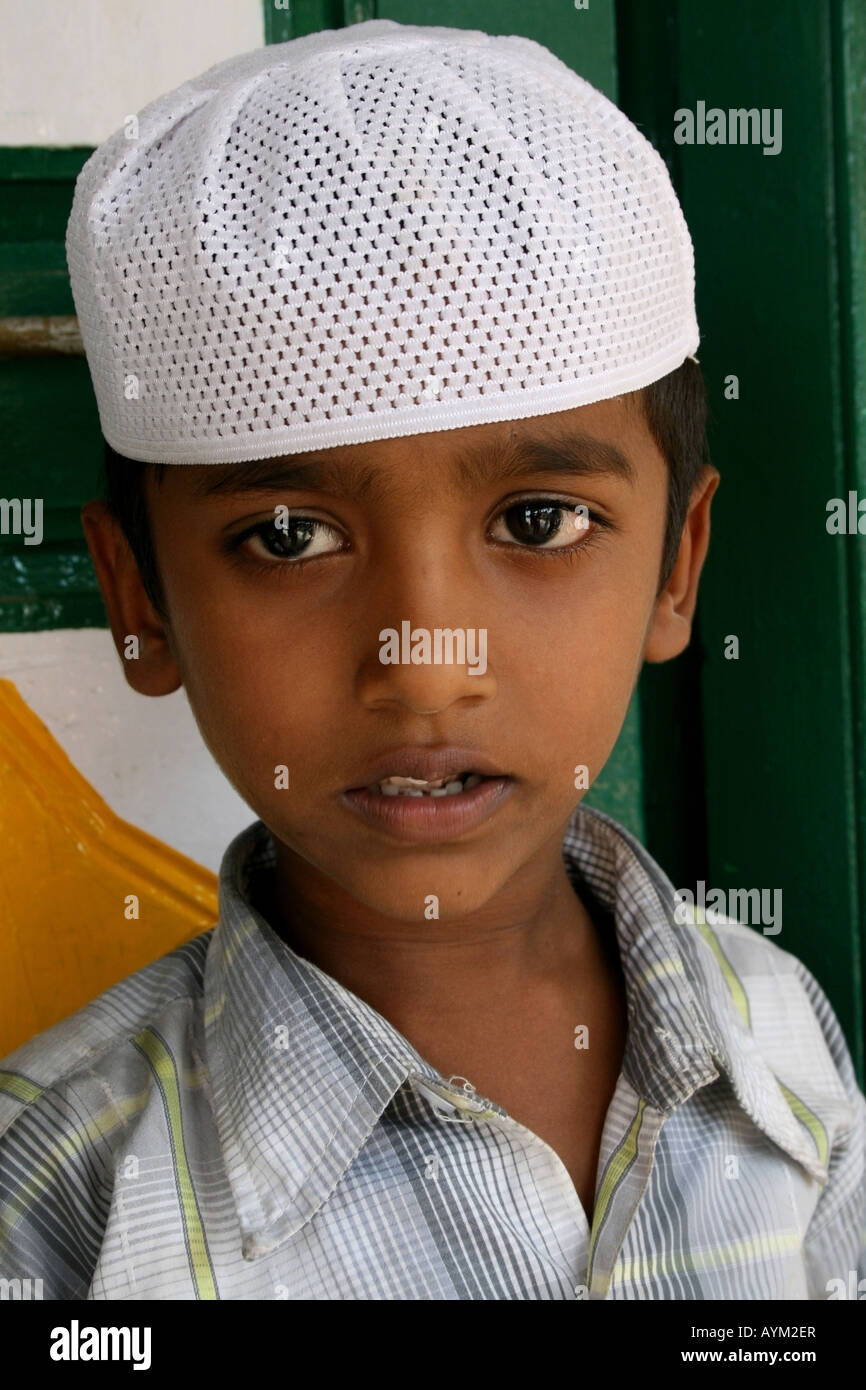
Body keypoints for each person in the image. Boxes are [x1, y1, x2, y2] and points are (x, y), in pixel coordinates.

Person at [1, 19, 863, 1301]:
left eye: (536, 521)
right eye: (287, 536)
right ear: (144, 600)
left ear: (676, 569)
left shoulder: (777, 1035)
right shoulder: (64, 1190)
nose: (422, 659)